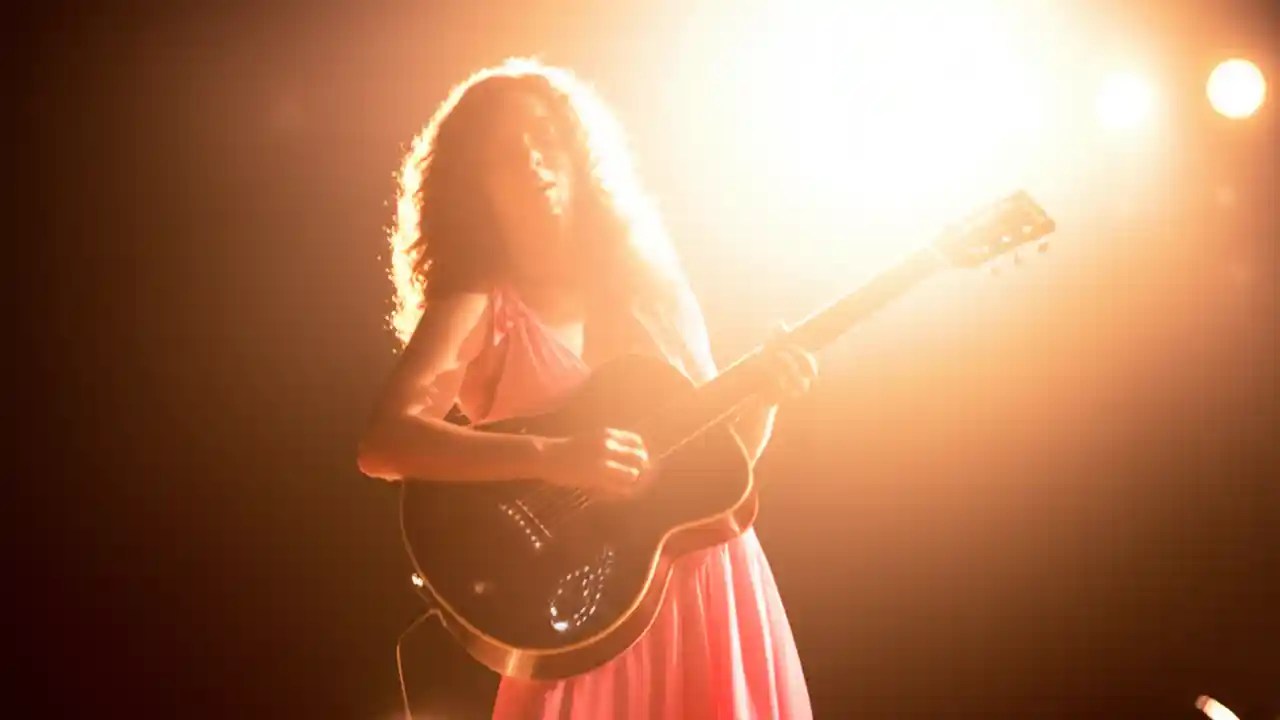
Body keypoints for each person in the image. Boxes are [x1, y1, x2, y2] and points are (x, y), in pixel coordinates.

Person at [358, 57, 817, 720]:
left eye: (547, 141)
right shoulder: (479, 306)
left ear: (581, 158)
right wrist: (554, 455)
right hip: (577, 613)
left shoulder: (656, 293)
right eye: (504, 156)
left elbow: (720, 468)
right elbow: (384, 443)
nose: (534, 162)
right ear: (472, 187)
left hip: (712, 589)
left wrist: (766, 398)